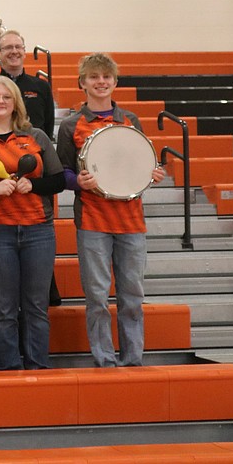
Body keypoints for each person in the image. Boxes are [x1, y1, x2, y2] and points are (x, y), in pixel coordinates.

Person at [56, 52, 164, 368]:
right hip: (92, 221)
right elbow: (62, 172)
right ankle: (104, 359)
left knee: (132, 297)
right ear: (82, 83)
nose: (100, 82)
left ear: (114, 82)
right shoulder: (71, 125)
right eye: (93, 77)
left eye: (106, 77)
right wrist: (79, 182)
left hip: (132, 221)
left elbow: (138, 162)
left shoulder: (131, 120)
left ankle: (133, 359)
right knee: (98, 298)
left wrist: (152, 173)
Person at [0, 75, 65, 370]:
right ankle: (7, 370)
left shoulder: (37, 138)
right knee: (4, 309)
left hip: (38, 231)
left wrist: (34, 186)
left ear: (16, 103)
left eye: (7, 97)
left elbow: (57, 181)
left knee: (36, 307)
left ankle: (37, 368)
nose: (1, 101)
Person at [0, 30, 56, 139]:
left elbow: (48, 127)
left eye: (18, 47)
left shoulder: (42, 87)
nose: (14, 51)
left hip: (33, 150)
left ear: (24, 52)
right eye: (8, 47)